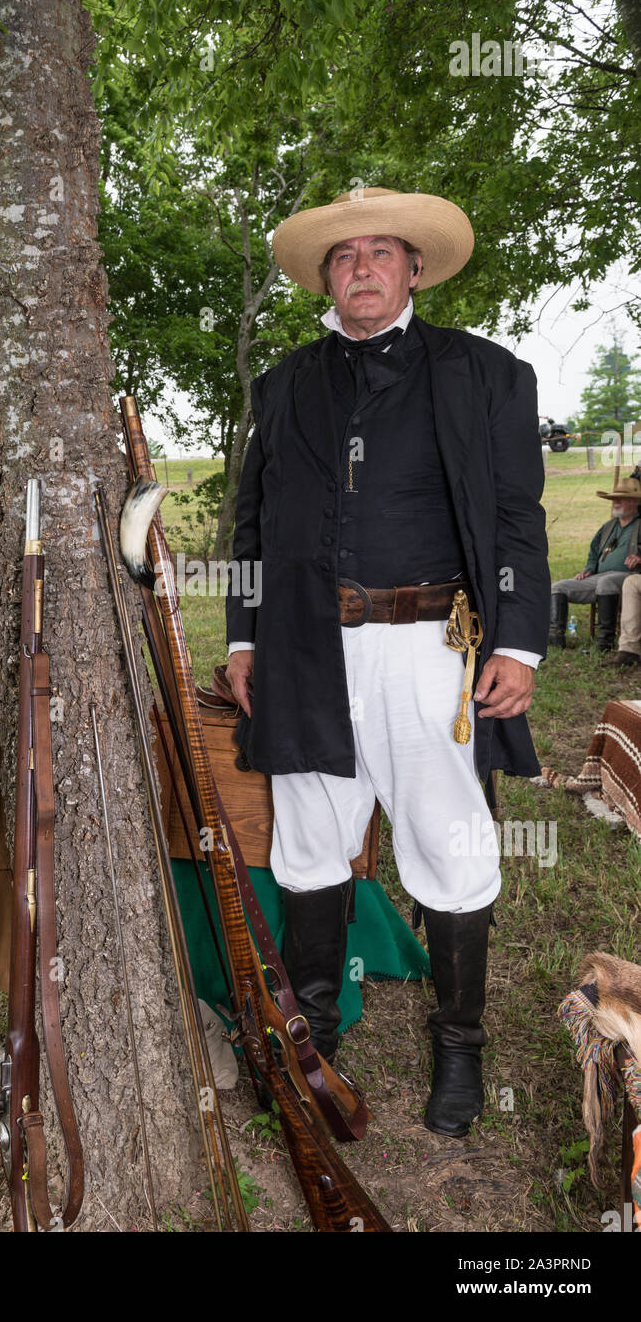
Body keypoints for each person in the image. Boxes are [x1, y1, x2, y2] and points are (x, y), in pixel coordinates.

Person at [225, 186, 549, 1138]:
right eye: (343, 255)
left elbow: (517, 517)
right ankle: (315, 1034)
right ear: (326, 278)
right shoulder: (283, 385)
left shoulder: (485, 374)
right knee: (310, 839)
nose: (361, 267)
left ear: (412, 270)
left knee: (447, 839)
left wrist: (518, 642)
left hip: (430, 646)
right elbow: (251, 522)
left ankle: (460, 1047)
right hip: (303, 645)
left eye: (380, 252)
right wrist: (243, 637)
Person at [549, 471, 641, 651]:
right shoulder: (608, 526)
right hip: (600, 577)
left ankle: (605, 641)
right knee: (558, 587)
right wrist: (589, 568)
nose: (615, 502)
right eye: (614, 499)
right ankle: (555, 637)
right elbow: (593, 550)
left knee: (606, 582)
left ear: (634, 502)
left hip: (629, 577)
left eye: (621, 499)